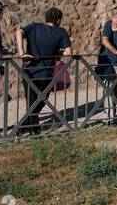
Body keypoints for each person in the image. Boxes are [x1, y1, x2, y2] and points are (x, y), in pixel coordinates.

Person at [15, 7, 73, 135]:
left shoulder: (34, 27)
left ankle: (26, 128)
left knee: (31, 101)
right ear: (58, 20)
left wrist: (21, 52)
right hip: (46, 72)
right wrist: (58, 50)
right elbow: (69, 52)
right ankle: (31, 130)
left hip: (29, 70)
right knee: (42, 98)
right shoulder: (61, 32)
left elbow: (18, 32)